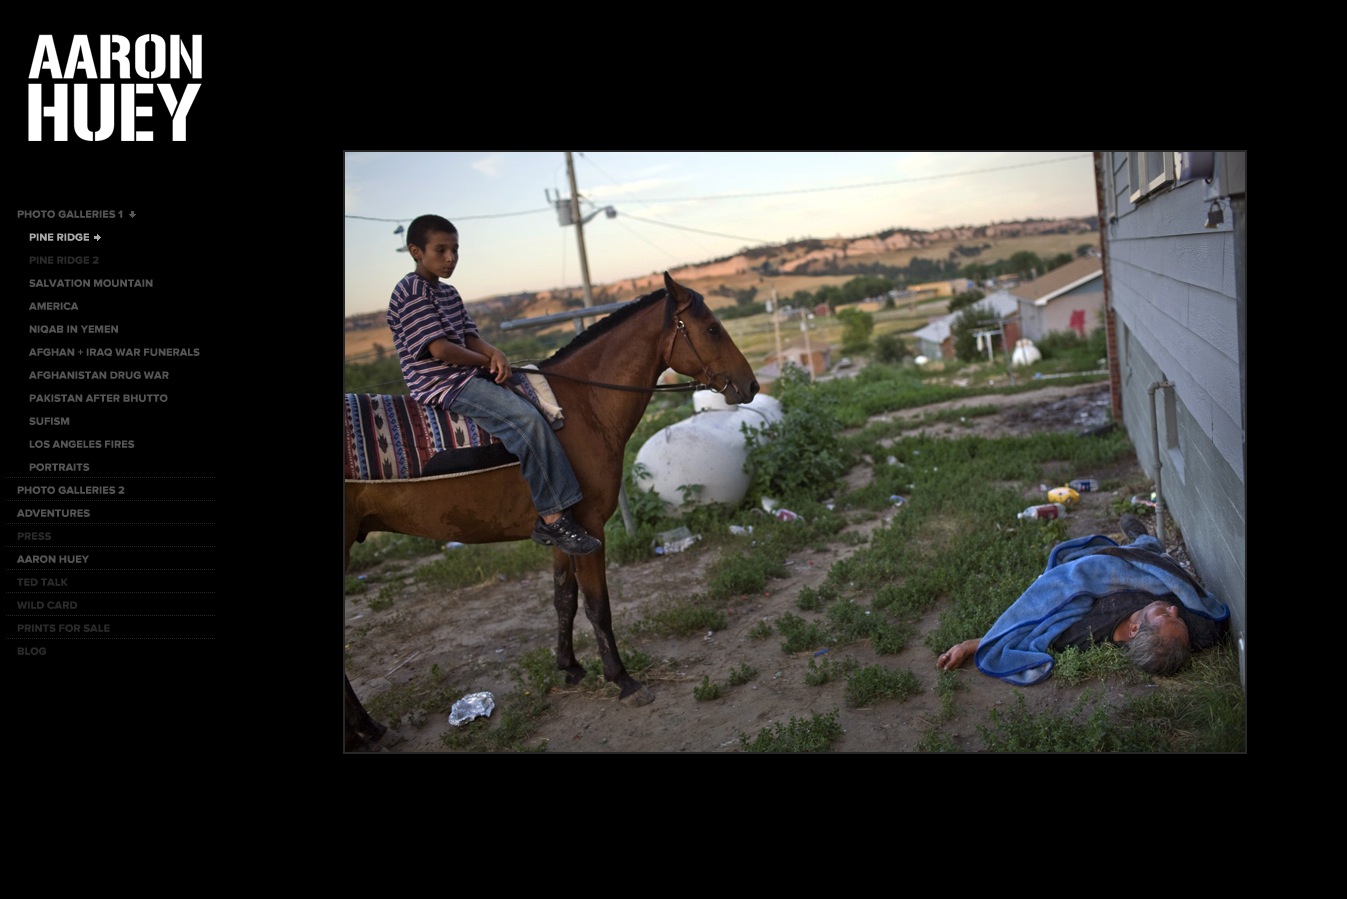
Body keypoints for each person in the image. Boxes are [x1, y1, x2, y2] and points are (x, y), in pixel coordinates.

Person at [387, 214, 600, 555]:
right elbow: (439, 348)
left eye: (455, 250)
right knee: (525, 420)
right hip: (442, 383)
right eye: (440, 250)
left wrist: (494, 352)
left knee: (544, 394)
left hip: (465, 373)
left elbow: (470, 337)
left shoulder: (448, 293)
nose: (450, 258)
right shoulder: (410, 291)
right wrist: (488, 362)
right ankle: (554, 519)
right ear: (415, 251)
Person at [936, 513, 1228, 684]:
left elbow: (1036, 619)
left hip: (1098, 569)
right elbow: (1204, 616)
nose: (1175, 609)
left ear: (1136, 629)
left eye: (1165, 616)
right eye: (1175, 616)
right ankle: (1141, 538)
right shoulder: (1186, 632)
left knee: (1111, 556)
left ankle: (1141, 540)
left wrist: (973, 645)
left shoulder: (1082, 632)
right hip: (1140, 564)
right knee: (1153, 555)